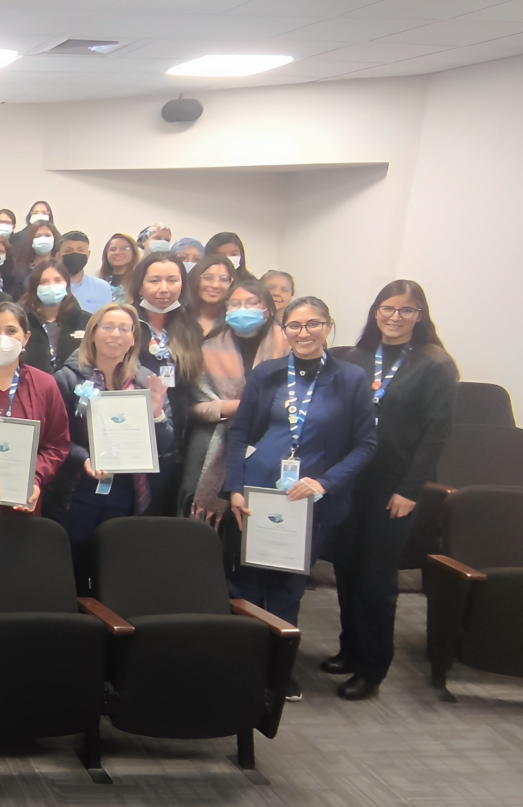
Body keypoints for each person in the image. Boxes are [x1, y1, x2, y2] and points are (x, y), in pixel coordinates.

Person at [223, 296, 377, 701]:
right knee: (246, 582)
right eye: (294, 325)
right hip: (258, 494)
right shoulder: (267, 374)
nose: (304, 332)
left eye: (313, 324)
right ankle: (243, 663)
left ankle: (279, 668)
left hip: (311, 502)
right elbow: (239, 434)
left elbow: (365, 445)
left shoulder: (351, 379)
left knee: (290, 586)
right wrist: (235, 488)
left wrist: (324, 483)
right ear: (284, 329)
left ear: (328, 326)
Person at [324, 281, 455, 701]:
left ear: (421, 316)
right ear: (375, 311)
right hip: (349, 480)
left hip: (394, 486)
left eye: (406, 310)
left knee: (377, 580)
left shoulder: (434, 363)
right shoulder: (354, 357)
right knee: (346, 569)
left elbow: (436, 435)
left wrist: (410, 490)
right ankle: (350, 648)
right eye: (387, 308)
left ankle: (372, 667)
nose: (395, 317)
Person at [53, 304, 174, 592]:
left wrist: (157, 414)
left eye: (124, 328)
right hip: (78, 491)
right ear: (93, 334)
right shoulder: (66, 378)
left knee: (117, 576)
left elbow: (167, 446)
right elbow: (55, 439)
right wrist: (83, 459)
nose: (115, 334)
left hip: (127, 493)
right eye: (107, 327)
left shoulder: (147, 381)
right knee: (74, 575)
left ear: (134, 338)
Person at [187, 274, 287, 525]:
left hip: (270, 445)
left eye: (252, 303)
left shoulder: (288, 345)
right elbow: (194, 406)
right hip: (212, 441)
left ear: (267, 309)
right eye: (234, 304)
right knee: (207, 527)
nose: (242, 310)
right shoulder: (207, 348)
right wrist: (242, 407)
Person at [0, 302, 69, 515]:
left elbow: (57, 445)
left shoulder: (45, 385)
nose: (3, 338)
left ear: (26, 338)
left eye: (11, 331)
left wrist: (35, 478)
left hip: (23, 503)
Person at [125, 252, 203, 516]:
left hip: (176, 436)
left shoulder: (190, 327)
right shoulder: (125, 321)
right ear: (139, 286)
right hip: (130, 431)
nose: (164, 289)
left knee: (165, 514)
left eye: (172, 280)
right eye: (154, 280)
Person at [17, 261, 92, 373]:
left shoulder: (86, 321)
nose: (51, 287)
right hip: (32, 386)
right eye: (44, 282)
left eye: (58, 280)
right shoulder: (20, 321)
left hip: (75, 387)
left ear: (67, 284)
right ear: (35, 287)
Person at [57, 232, 114, 313]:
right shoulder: (51, 287)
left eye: (81, 250)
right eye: (68, 250)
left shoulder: (102, 287)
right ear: (58, 256)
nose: (75, 254)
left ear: (88, 254)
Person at [5, 220, 60, 300]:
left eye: (47, 235)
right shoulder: (19, 271)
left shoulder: (60, 267)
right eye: (38, 236)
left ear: (54, 238)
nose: (43, 239)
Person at [97, 233, 141, 302]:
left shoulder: (140, 281)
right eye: (113, 249)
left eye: (124, 248)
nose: (117, 252)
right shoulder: (98, 282)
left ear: (134, 252)